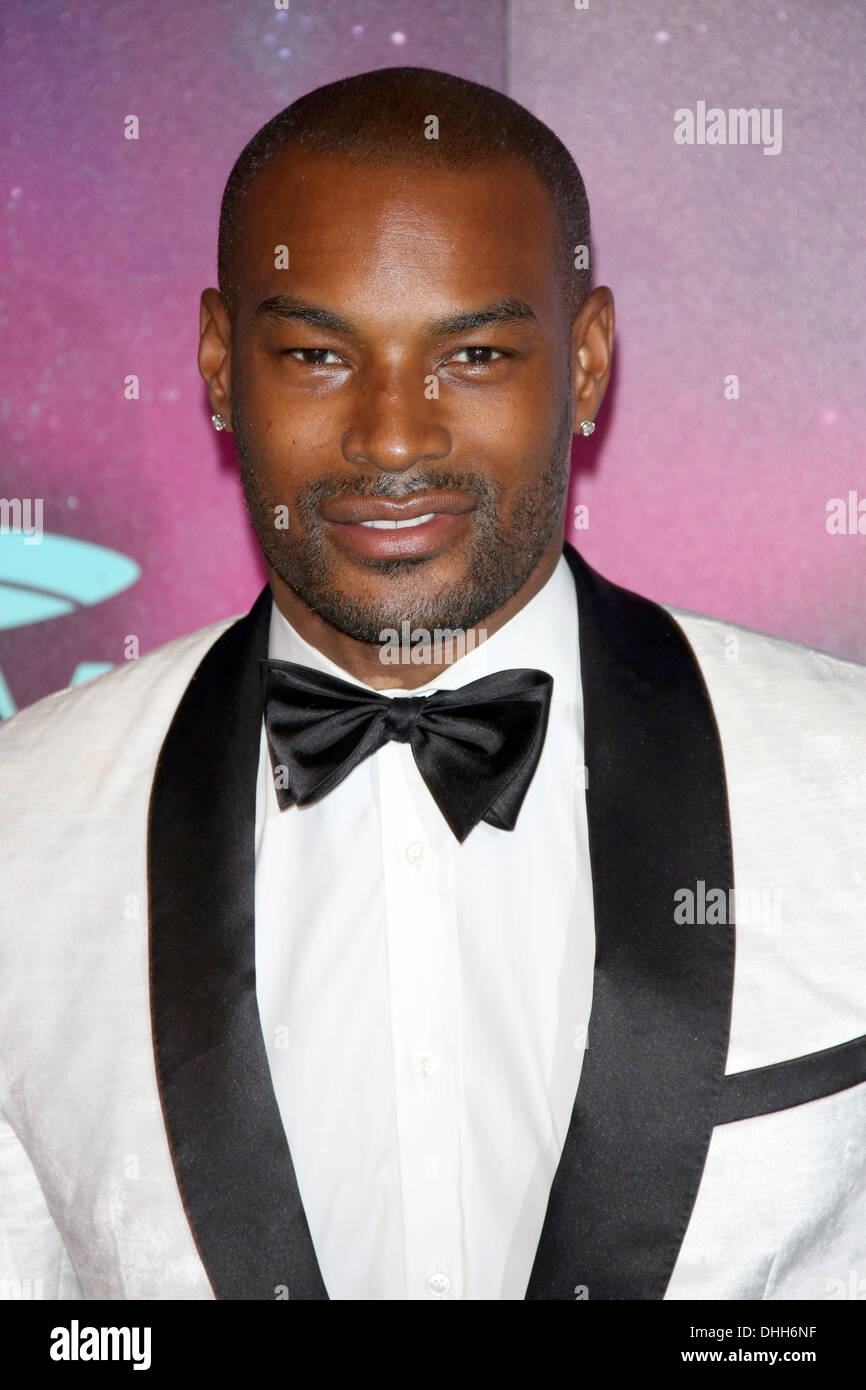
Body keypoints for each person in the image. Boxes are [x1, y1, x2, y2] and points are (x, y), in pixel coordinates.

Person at [1, 65, 865, 1303]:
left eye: (471, 355)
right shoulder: (17, 827)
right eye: (312, 351)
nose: (392, 438)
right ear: (212, 361)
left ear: (582, 363)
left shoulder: (846, 777)